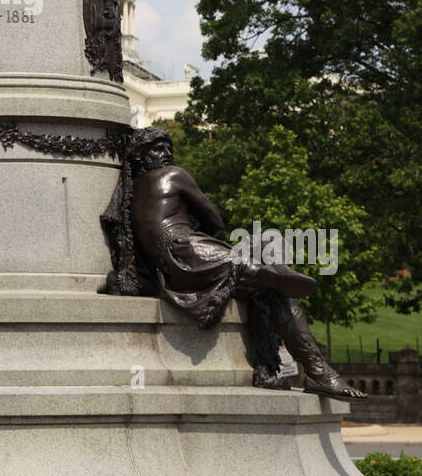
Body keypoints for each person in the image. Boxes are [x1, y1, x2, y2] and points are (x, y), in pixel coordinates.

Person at [101, 127, 364, 401]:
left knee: (262, 272)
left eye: (168, 147)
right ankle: (317, 371)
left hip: (168, 268)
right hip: (187, 250)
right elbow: (215, 221)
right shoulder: (174, 174)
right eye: (158, 147)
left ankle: (269, 277)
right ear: (140, 156)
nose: (166, 152)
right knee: (271, 284)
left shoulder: (129, 194)